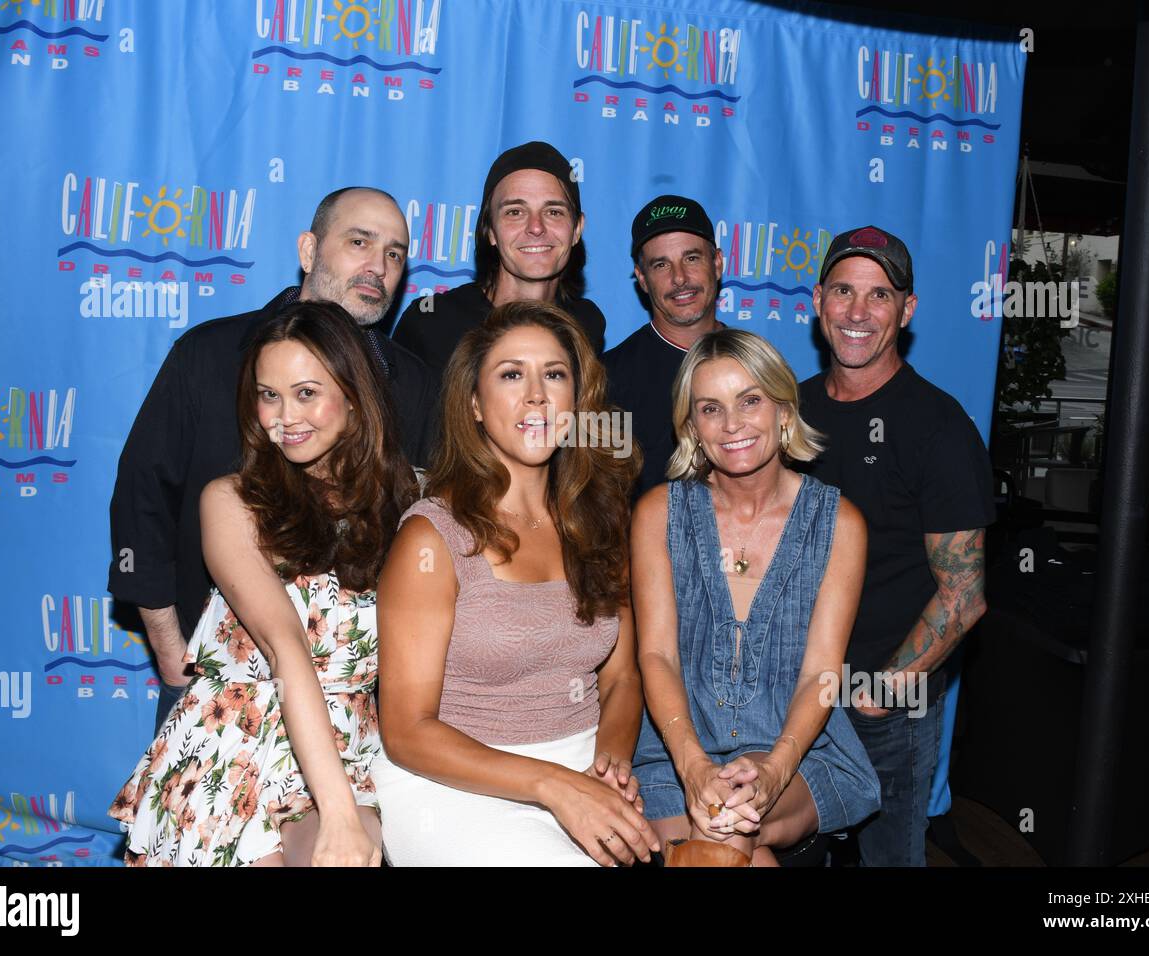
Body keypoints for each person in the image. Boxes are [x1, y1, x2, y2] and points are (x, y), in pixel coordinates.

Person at [108, 187, 436, 734]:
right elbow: (143, 497)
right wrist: (169, 648)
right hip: (217, 683)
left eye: (395, 253)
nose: (377, 266)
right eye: (359, 241)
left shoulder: (413, 384)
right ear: (308, 250)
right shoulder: (211, 354)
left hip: (358, 695)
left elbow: (425, 531)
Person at [108, 301, 419, 866]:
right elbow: (286, 648)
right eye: (267, 394)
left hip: (346, 742)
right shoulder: (232, 501)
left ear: (354, 392)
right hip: (237, 744)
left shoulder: (409, 505)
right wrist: (342, 816)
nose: (282, 417)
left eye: (305, 393)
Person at [372, 301, 653, 866]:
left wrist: (611, 765)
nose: (536, 396)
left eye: (554, 374)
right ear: (474, 405)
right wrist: (555, 786)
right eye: (510, 375)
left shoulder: (601, 520)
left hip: (580, 767)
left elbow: (621, 676)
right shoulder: (433, 540)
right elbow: (406, 731)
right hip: (456, 783)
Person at [631, 327, 880, 866]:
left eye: (750, 400)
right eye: (710, 408)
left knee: (724, 832)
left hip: (799, 751)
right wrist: (694, 765)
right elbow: (657, 655)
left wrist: (774, 766)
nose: (733, 424)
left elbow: (822, 672)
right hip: (675, 750)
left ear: (784, 411)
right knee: (728, 839)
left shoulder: (839, 523)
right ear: (691, 426)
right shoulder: (657, 514)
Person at [798, 225, 995, 866]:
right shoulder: (785, 412)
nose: (857, 313)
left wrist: (881, 693)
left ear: (906, 311)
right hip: (789, 697)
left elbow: (963, 596)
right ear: (818, 300)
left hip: (883, 706)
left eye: (879, 296)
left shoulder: (938, 427)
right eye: (843, 292)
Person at [391, 142, 605, 379]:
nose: (536, 227)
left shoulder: (587, 324)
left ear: (576, 229)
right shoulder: (431, 322)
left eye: (553, 212)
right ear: (490, 230)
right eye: (515, 212)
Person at [604, 195, 724, 500]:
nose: (680, 278)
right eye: (661, 265)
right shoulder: (606, 382)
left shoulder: (758, 368)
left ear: (718, 263)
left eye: (692, 258)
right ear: (642, 279)